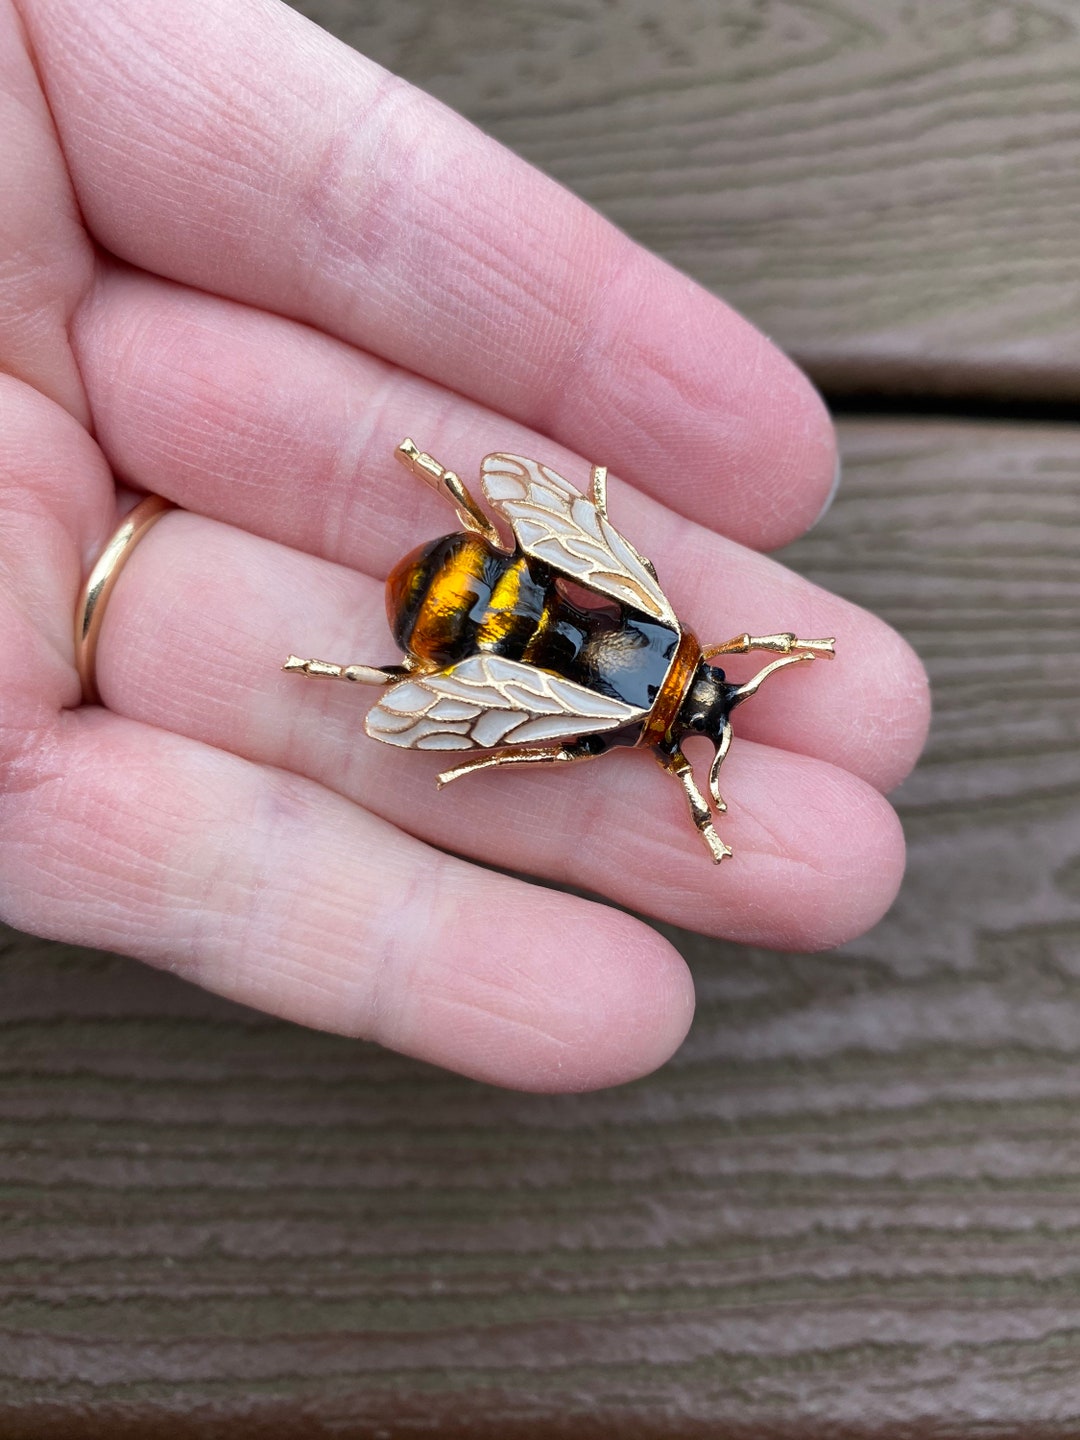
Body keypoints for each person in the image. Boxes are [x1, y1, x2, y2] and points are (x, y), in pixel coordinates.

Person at [0, 0, 929, 1091]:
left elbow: (565, 586)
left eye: (708, 705)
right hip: (460, 603)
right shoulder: (641, 716)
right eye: (721, 692)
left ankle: (396, 627)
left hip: (470, 592)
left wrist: (734, 694)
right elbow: (559, 719)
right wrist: (695, 801)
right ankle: (383, 642)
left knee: (525, 631)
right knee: (510, 673)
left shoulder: (651, 624)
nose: (711, 703)